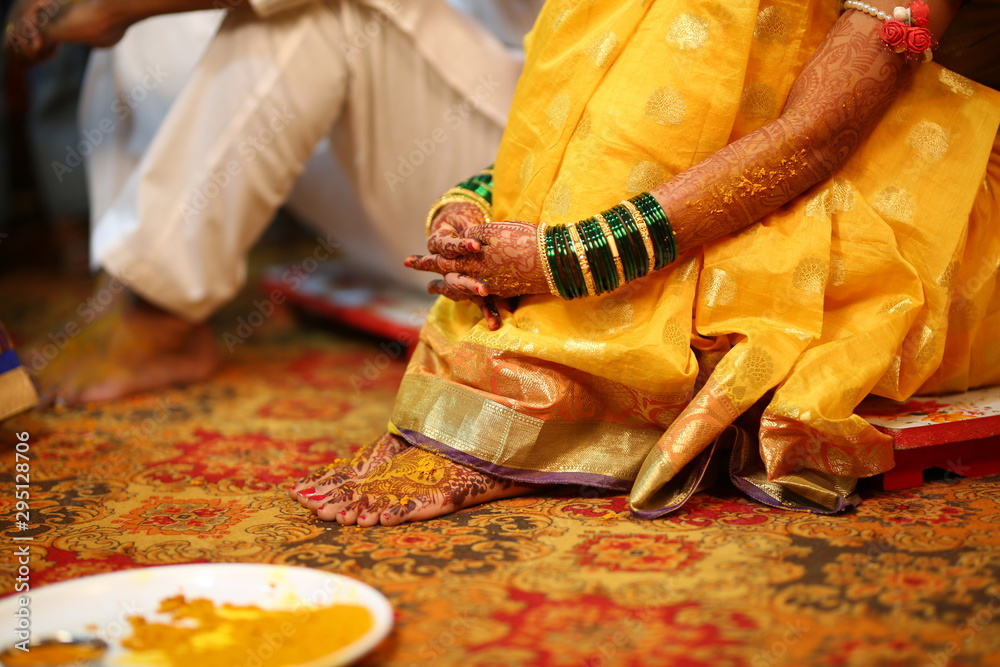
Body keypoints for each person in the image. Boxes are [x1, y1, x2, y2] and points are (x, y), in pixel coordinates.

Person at [288, 0, 1000, 526]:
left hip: (912, 202)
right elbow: (595, 120)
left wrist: (567, 259)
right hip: (740, 175)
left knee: (748, 299)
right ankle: (525, 379)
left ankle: (538, 395)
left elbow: (815, 137)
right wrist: (478, 204)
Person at [3, 0, 542, 404]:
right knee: (162, 27)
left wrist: (109, 5)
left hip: (523, 195)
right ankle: (127, 285)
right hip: (429, 163)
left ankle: (160, 316)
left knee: (320, 7)